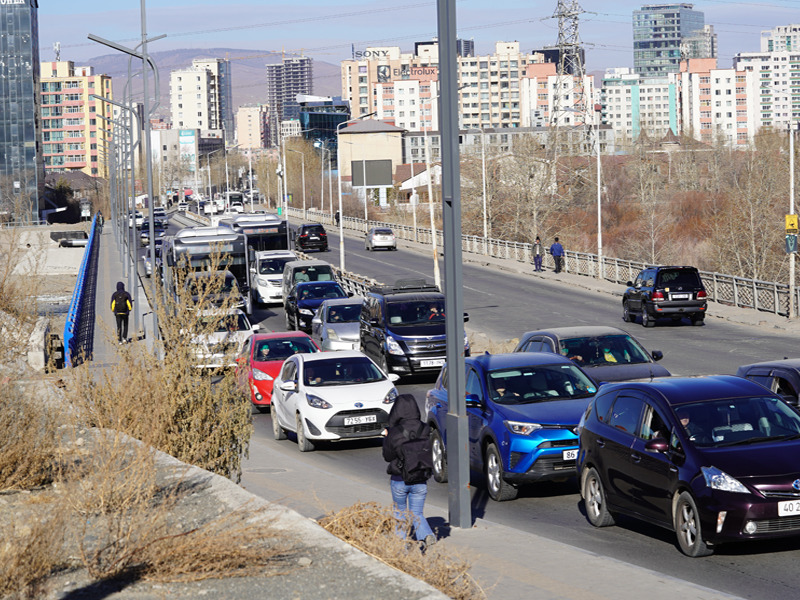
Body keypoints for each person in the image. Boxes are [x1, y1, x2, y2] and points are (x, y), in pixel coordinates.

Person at [381, 394, 436, 549]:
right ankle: (426, 535)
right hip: (420, 478)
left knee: (399, 512)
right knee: (416, 513)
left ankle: (402, 545)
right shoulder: (425, 428)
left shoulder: (394, 432)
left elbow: (387, 456)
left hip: (400, 480)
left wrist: (386, 437)